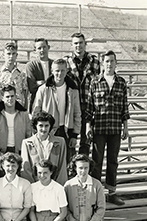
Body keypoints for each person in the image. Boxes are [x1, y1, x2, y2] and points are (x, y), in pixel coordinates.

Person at [86, 50, 129, 206]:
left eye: (112, 61)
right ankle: (97, 195)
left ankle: (112, 193)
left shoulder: (121, 82)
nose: (109, 64)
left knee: (113, 161)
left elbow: (124, 107)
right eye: (106, 61)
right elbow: (90, 107)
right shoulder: (95, 82)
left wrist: (126, 128)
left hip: (115, 128)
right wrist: (87, 127)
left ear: (116, 63)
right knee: (96, 161)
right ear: (102, 64)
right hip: (99, 128)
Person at [32, 58, 82, 149]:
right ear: (52, 71)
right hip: (48, 130)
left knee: (66, 161)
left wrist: (75, 134)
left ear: (67, 71)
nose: (60, 73)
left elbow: (77, 113)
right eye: (57, 70)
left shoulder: (73, 90)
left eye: (63, 70)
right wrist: (36, 130)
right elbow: (36, 111)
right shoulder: (43, 89)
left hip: (66, 131)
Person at [64, 33, 101, 155]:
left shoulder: (94, 60)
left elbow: (98, 82)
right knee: (71, 140)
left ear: (85, 44)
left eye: (80, 42)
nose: (78, 45)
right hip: (71, 105)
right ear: (71, 45)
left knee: (85, 141)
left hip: (88, 105)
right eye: (75, 43)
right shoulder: (66, 61)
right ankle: (71, 170)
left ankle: (83, 169)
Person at [21, 112, 68, 184]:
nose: (44, 129)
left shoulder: (60, 142)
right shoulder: (27, 143)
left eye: (46, 125)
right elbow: (26, 168)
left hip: (54, 185)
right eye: (40, 125)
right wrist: (31, 186)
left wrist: (59, 186)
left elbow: (62, 167)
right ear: (35, 126)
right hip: (34, 185)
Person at [0, 85, 31, 153]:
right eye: (7, 96)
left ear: (15, 97)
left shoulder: (24, 114)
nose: (10, 99)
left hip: (19, 151)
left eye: (12, 96)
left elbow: (28, 134)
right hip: (0, 151)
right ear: (2, 98)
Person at [0, 42, 28, 107]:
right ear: (3, 55)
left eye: (13, 54)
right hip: (3, 109)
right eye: (8, 54)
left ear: (16, 55)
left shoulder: (22, 75)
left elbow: (25, 94)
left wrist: (25, 111)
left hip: (18, 109)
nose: (11, 56)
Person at [25, 38, 53, 110]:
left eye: (44, 47)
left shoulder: (54, 64)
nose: (42, 50)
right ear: (35, 50)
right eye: (39, 48)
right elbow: (32, 87)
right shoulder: (31, 65)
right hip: (37, 102)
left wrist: (40, 83)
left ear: (48, 47)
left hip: (53, 101)